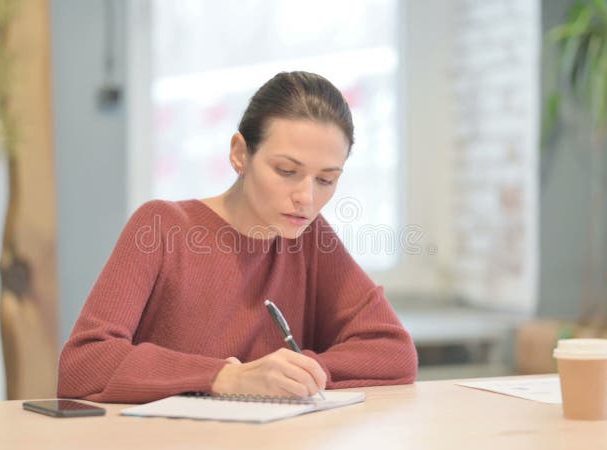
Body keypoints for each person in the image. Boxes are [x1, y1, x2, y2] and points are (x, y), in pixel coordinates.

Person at [58, 71, 418, 403]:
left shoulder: (309, 237)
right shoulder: (160, 226)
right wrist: (226, 377)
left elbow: (393, 351)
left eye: (326, 179)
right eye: (287, 170)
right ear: (239, 154)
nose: (307, 198)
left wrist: (301, 373)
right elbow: (83, 365)